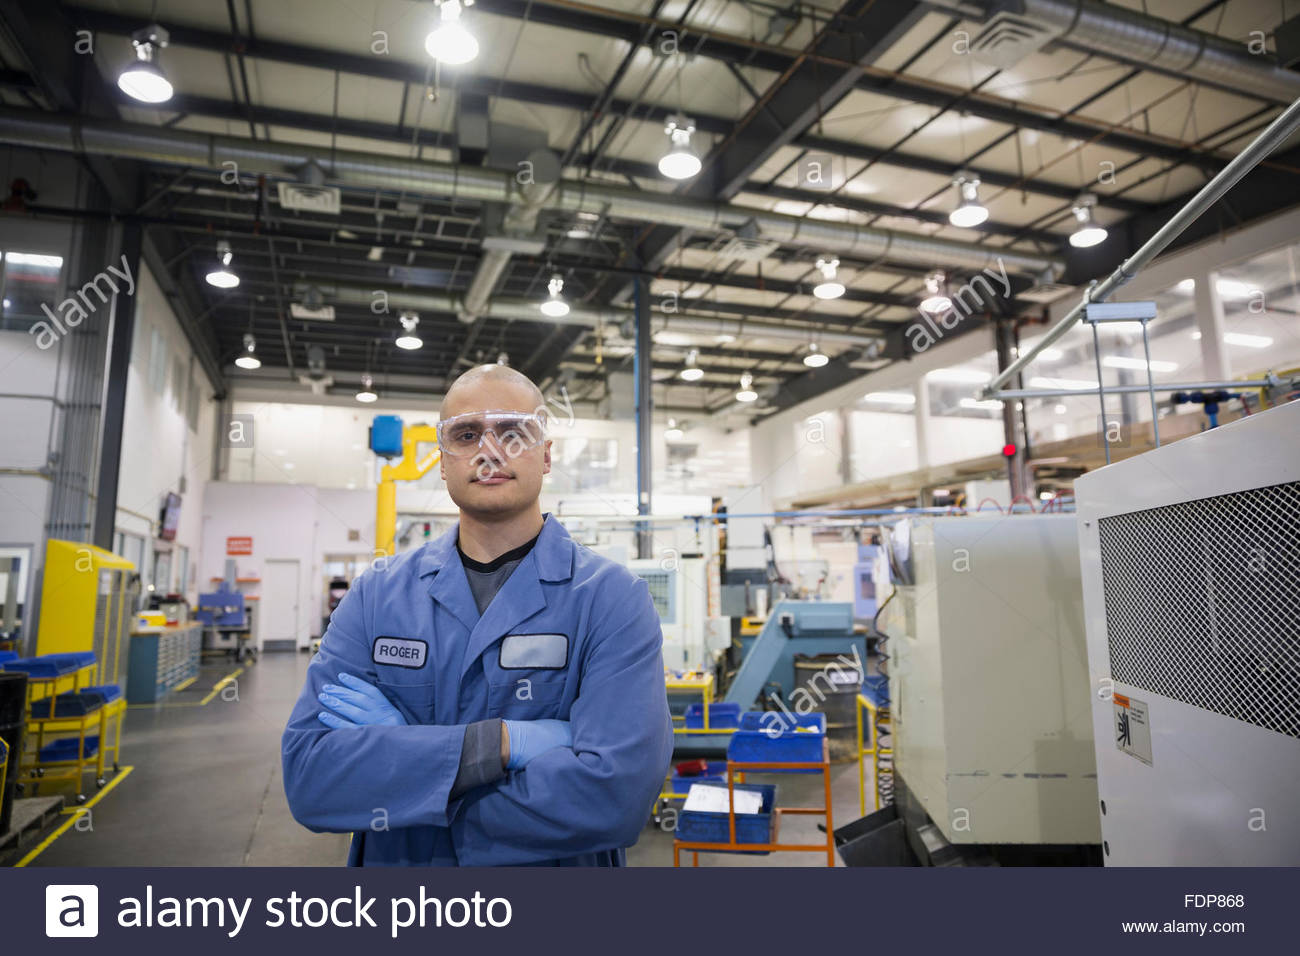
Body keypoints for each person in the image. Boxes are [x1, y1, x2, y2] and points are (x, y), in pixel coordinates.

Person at [281, 364, 674, 865]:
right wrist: (502, 744)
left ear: (546, 455)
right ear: (442, 461)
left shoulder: (611, 599)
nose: (491, 450)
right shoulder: (376, 596)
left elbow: (615, 798)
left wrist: (410, 769)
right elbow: (313, 778)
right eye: (466, 435)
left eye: (514, 432)